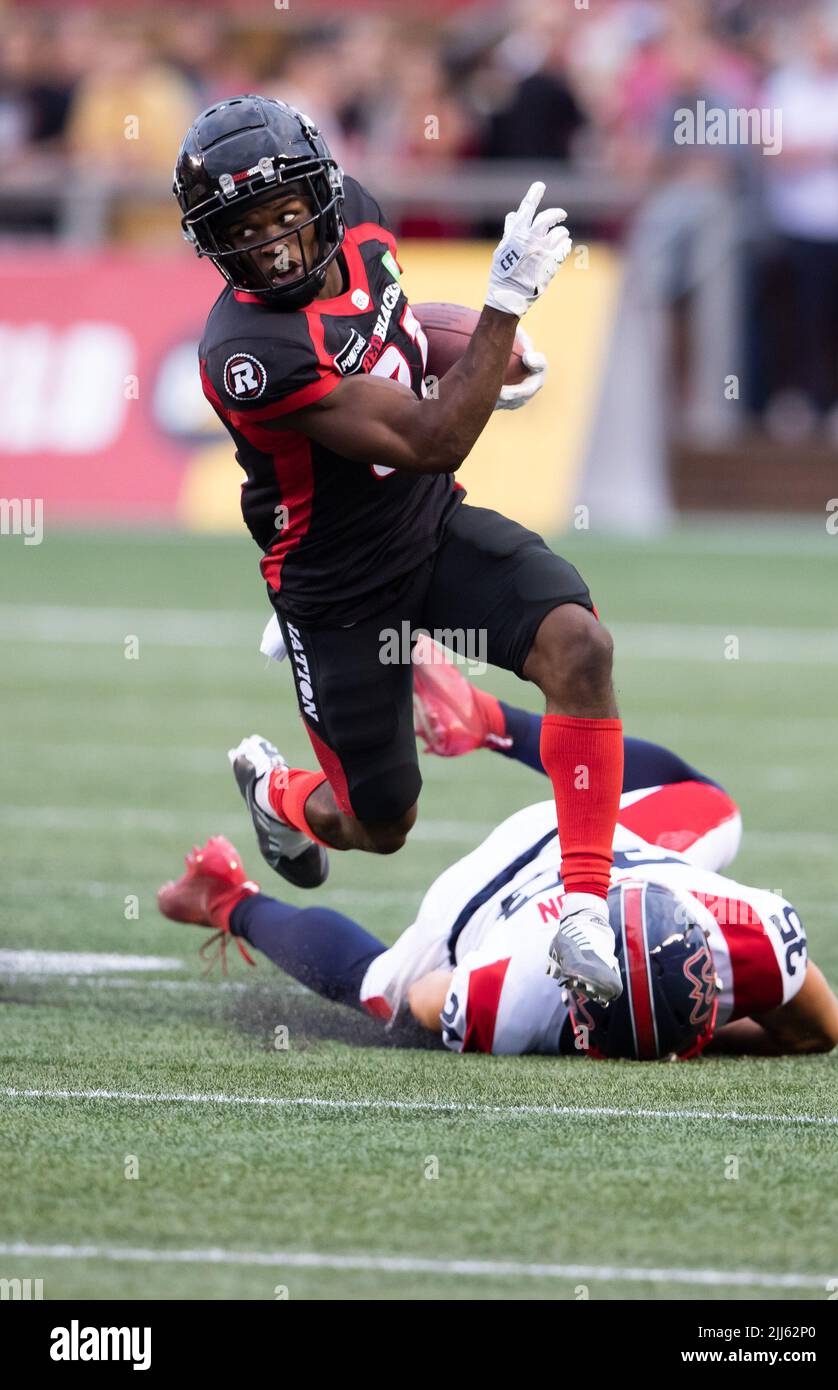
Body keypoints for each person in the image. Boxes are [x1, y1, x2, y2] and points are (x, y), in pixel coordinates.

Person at [174, 94, 624, 1002]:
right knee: (378, 823)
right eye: (244, 228)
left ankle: (586, 911)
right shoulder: (246, 350)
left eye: (286, 212)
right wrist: (502, 309)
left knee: (579, 645)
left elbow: (394, 325)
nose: (272, 242)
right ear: (213, 242)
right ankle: (278, 795)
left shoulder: (366, 219)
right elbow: (430, 438)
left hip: (425, 521)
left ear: (324, 193)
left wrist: (478, 344)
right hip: (336, 585)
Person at [156, 647, 838, 1061]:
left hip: (597, 846)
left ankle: (489, 722)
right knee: (383, 994)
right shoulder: (518, 997)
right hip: (486, 898)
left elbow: (820, 1031)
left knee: (708, 802)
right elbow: (429, 997)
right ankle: (231, 901)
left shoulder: (743, 930)